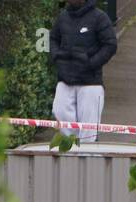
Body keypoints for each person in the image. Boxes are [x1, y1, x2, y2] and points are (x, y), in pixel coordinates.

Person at [49, 0, 118, 144]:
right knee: (60, 115)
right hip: (65, 81)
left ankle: (88, 159)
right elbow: (53, 38)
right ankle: (70, 154)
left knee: (88, 133)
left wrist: (90, 63)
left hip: (90, 84)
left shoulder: (99, 17)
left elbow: (110, 45)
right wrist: (57, 57)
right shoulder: (62, 17)